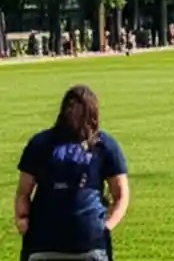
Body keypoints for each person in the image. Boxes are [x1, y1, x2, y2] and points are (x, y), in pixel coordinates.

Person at [14, 85, 130, 261]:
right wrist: (22, 219)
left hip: (85, 242)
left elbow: (121, 193)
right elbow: (23, 191)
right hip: (48, 241)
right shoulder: (41, 144)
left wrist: (107, 226)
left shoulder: (104, 145)